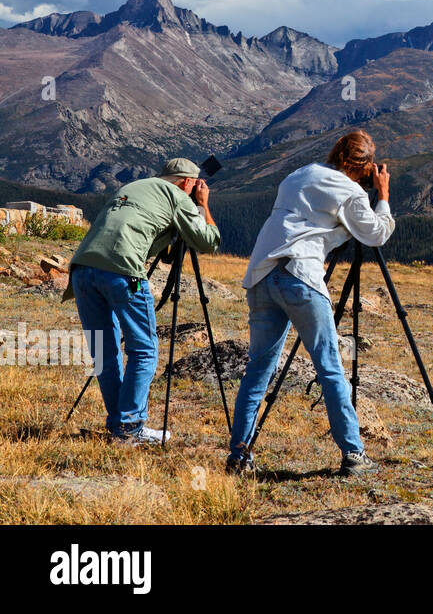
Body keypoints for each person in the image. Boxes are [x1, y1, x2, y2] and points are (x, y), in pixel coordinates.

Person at [228, 130, 395, 477]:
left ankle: (239, 456)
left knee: (258, 370)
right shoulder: (349, 191)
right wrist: (382, 195)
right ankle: (353, 454)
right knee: (330, 368)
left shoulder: (298, 174)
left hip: (261, 273)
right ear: (362, 168)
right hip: (300, 275)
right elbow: (376, 233)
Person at [67, 158, 221, 444]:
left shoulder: (135, 186)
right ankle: (129, 428)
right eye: (193, 185)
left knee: (104, 351)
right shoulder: (178, 196)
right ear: (187, 182)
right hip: (123, 270)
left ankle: (120, 426)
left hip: (81, 270)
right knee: (144, 350)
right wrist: (202, 204)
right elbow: (208, 241)